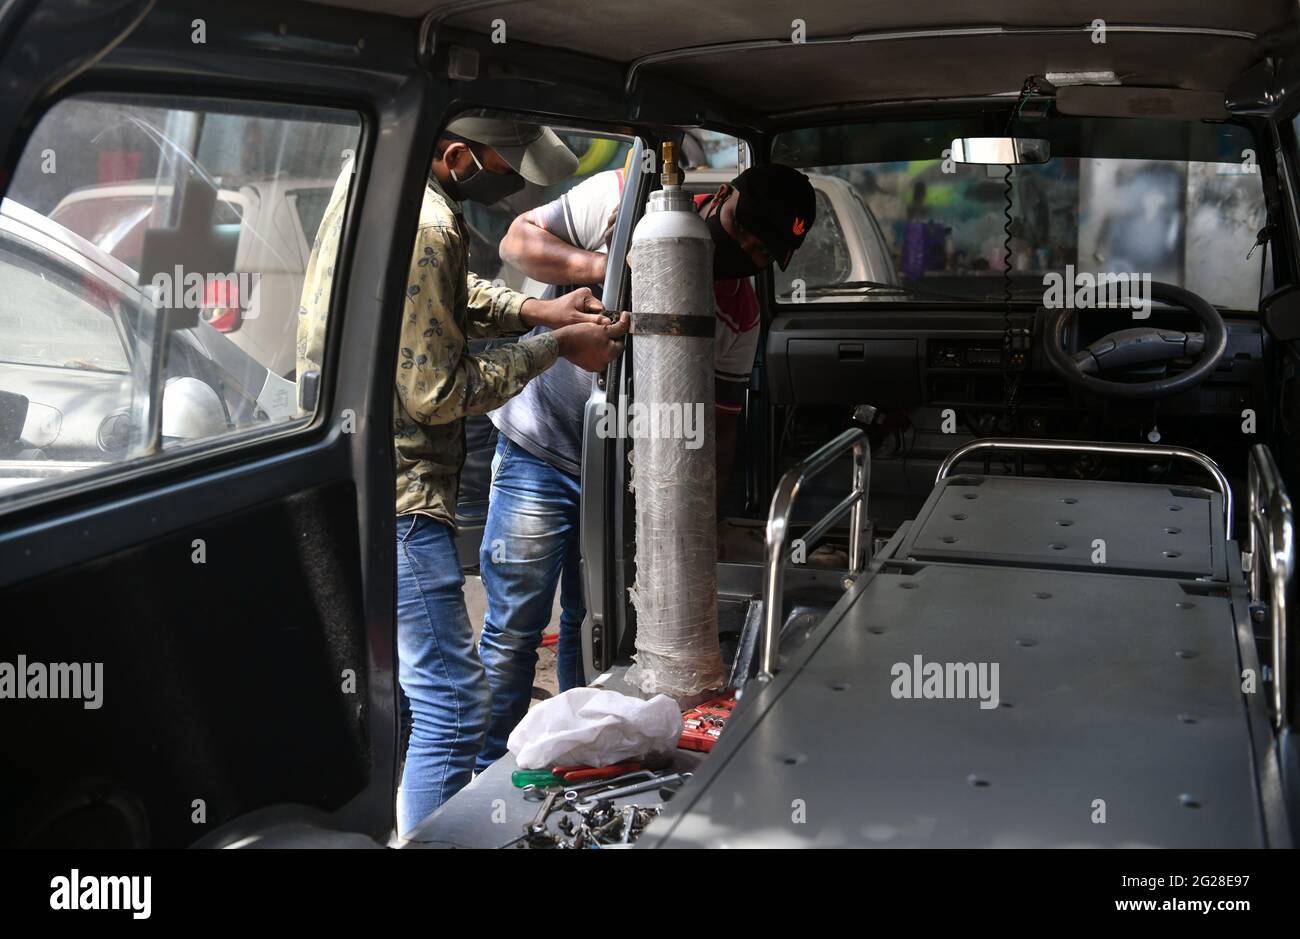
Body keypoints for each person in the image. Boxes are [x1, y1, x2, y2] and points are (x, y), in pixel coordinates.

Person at [297, 116, 630, 835]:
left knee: (413, 699)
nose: (513, 186)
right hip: (403, 495)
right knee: (455, 703)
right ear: (456, 155)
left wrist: (535, 307)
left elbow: (442, 303)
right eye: (507, 170)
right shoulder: (431, 225)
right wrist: (556, 345)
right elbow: (438, 391)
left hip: (357, 484)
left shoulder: (379, 190)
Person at [474, 160, 816, 771]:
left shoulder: (739, 310)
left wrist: (701, 523)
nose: (746, 249)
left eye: (764, 250)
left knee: (597, 624)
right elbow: (516, 241)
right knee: (515, 628)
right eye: (745, 229)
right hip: (541, 446)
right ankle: (486, 774)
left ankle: (580, 755)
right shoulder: (620, 201)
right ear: (723, 197)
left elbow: (724, 422)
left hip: (630, 480)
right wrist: (609, 270)